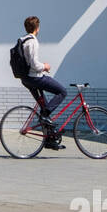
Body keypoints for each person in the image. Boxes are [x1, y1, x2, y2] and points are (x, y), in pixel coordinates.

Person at [20, 15, 66, 150]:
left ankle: (49, 140)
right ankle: (45, 116)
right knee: (62, 91)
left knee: (45, 106)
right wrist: (45, 66)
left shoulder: (22, 40)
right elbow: (34, 64)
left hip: (26, 79)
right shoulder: (32, 41)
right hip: (35, 78)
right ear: (37, 28)